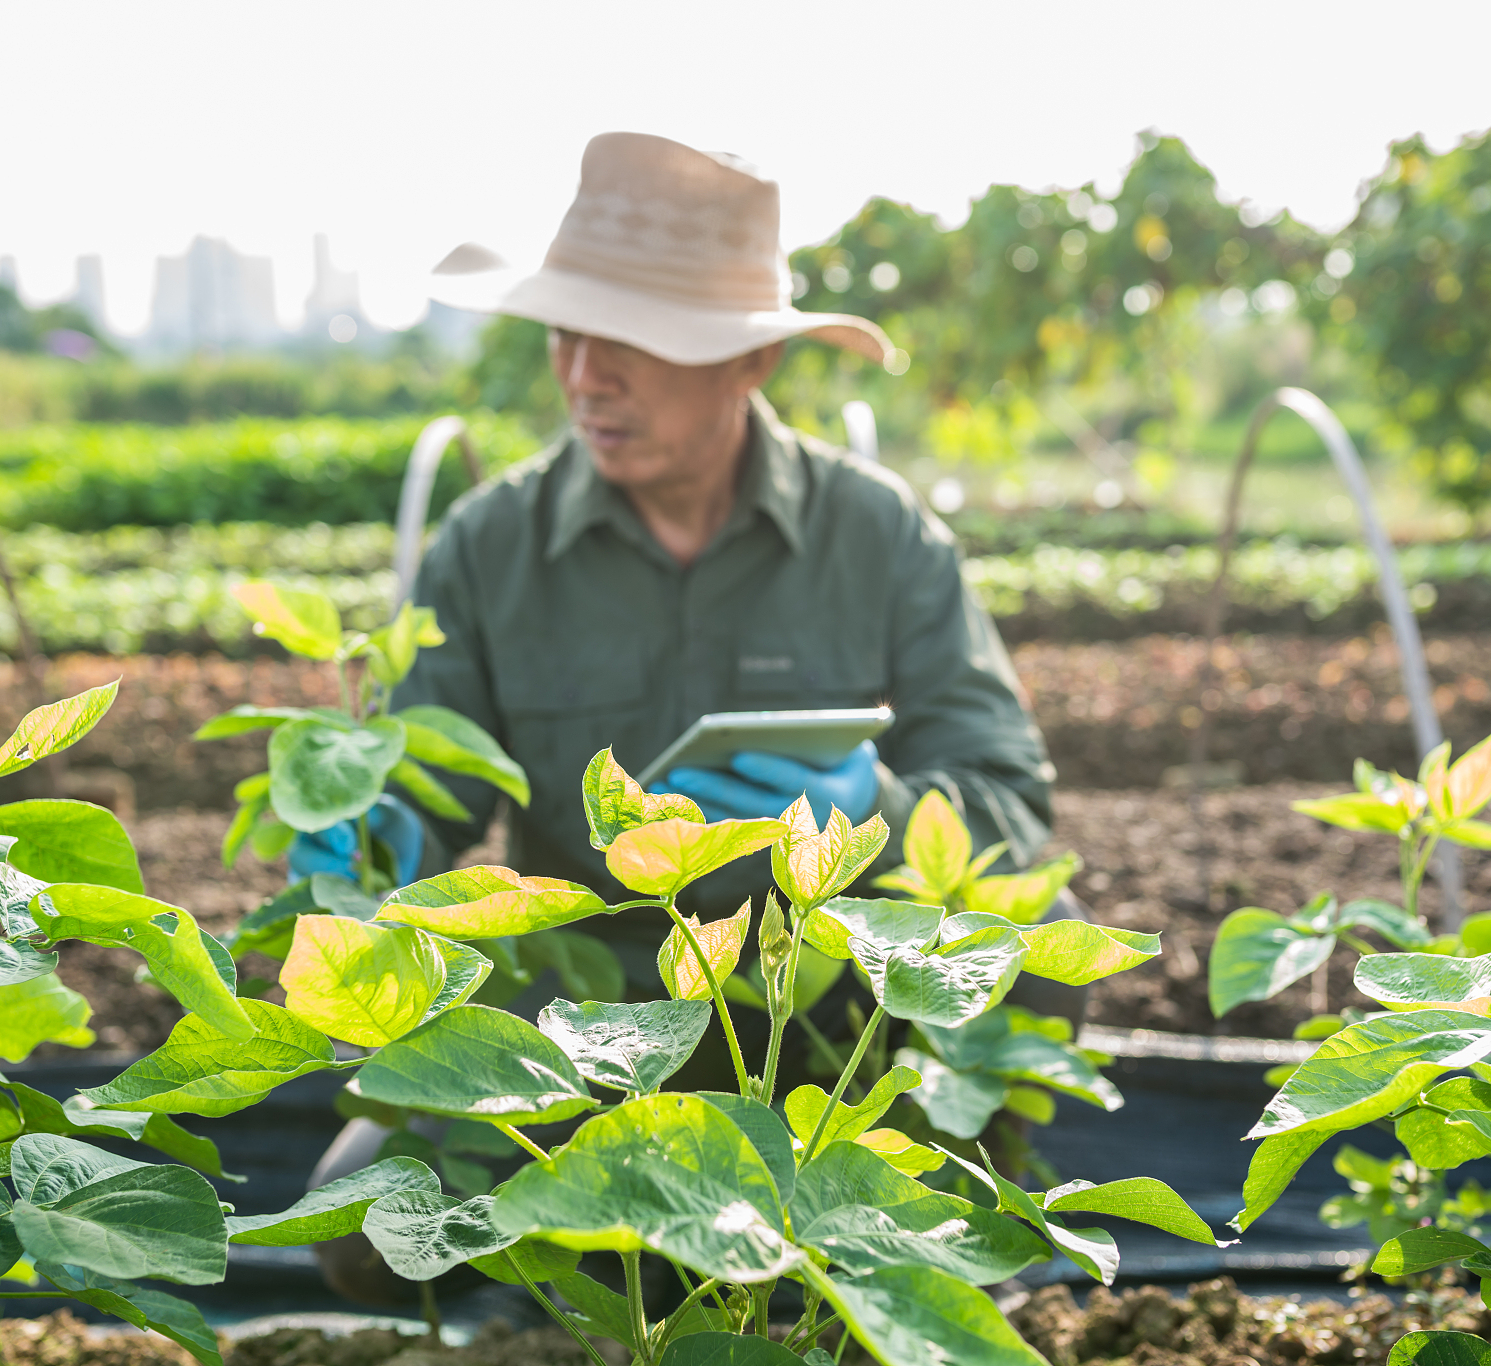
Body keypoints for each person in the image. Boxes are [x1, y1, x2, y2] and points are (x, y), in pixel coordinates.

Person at [302, 131, 1084, 1300]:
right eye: (565, 333)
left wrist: (873, 805)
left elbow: (1009, 806)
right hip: (582, 1031)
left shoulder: (876, 537)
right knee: (366, 1230)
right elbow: (431, 784)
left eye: (628, 343)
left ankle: (936, 1200)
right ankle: (630, 1243)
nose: (582, 376)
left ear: (747, 364)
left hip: (827, 1032)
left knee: (1046, 930)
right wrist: (368, 828)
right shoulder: (491, 547)